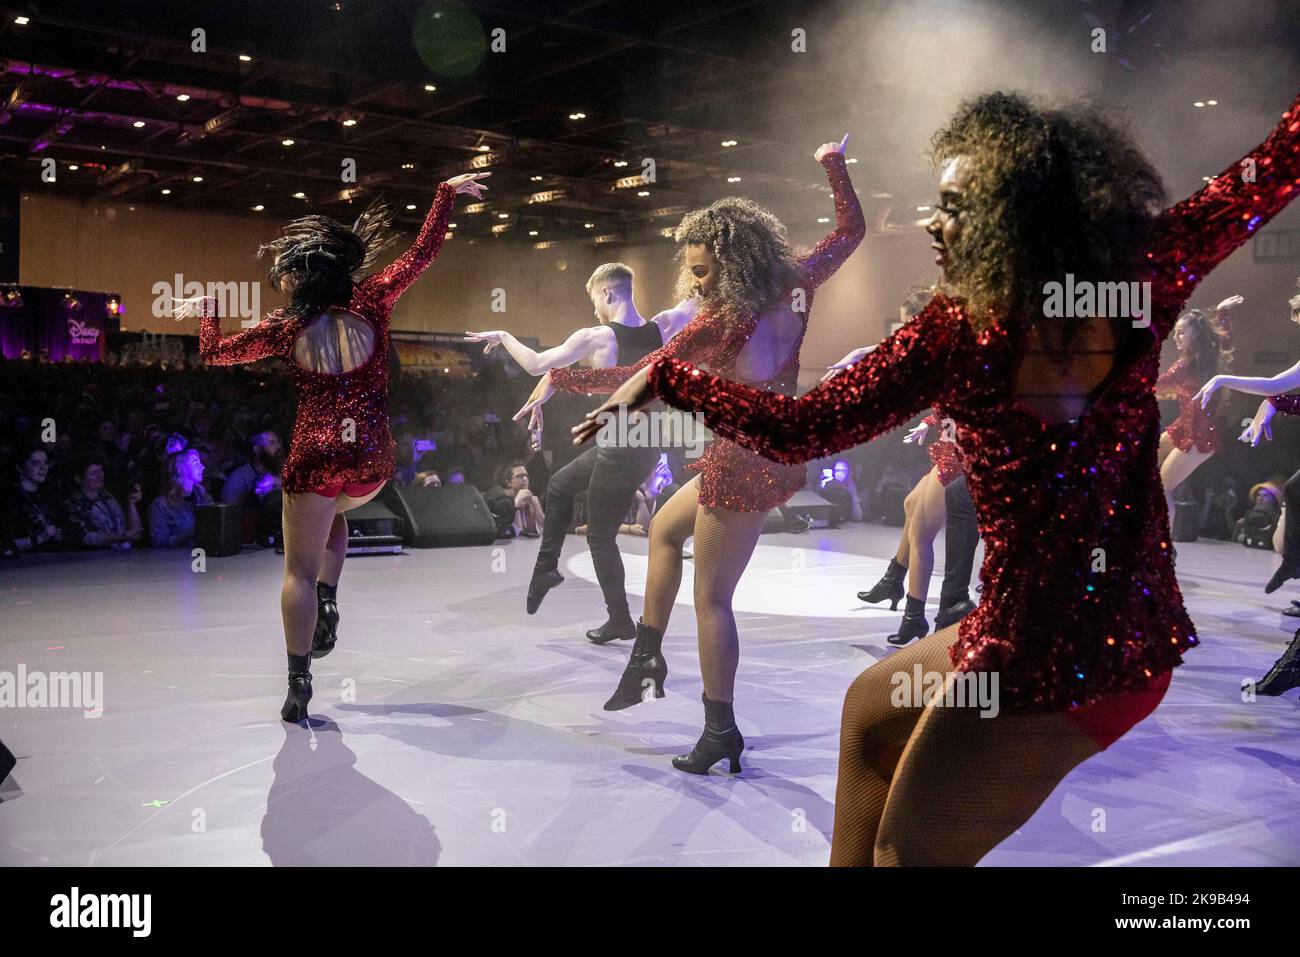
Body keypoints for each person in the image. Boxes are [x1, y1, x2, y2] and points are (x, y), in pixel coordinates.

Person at [576, 91, 1300, 862]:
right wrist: (666, 378)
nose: (930, 222)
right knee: (868, 713)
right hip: (1048, 622)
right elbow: (806, 424)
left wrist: (672, 381)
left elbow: (802, 429)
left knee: (909, 850)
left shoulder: (1014, 314)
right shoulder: (1053, 296)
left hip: (1060, 653)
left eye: (950, 206)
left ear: (1010, 216)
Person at [532, 133, 865, 774]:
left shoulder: (722, 321)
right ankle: (646, 653)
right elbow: (849, 230)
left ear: (735, 262)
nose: (697, 280)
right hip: (772, 448)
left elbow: (650, 374)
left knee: (712, 600)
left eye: (705, 270)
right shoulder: (799, 279)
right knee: (662, 528)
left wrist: (569, 380)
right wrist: (832, 163)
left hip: (742, 461)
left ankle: (720, 731)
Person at [183, 168, 489, 722]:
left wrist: (207, 309)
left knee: (295, 569)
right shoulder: (375, 298)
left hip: (314, 457)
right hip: (372, 457)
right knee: (336, 514)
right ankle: (329, 597)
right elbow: (423, 254)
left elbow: (214, 353)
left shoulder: (283, 325)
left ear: (300, 277)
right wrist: (443, 195)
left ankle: (299, 679)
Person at [467, 262, 693, 642]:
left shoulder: (599, 335)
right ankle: (547, 568)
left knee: (600, 537)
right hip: (640, 445)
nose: (594, 310)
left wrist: (505, 334)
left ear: (607, 293)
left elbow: (537, 363)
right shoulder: (664, 324)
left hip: (620, 448)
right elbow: (698, 299)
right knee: (558, 485)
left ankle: (619, 619)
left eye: (594, 300)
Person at [1155, 298, 1239, 526]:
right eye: (1176, 332)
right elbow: (1225, 339)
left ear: (1196, 334)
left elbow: (1158, 383)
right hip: (1183, 429)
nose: (1176, 337)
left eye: (1182, 332)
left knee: (1163, 489)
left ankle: (1163, 546)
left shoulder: (1189, 364)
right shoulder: (1201, 360)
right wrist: (1221, 312)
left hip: (1198, 440)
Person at [65, 457, 143, 549]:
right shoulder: (74, 504)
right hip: (97, 559)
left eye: (101, 471)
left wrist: (131, 504)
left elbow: (135, 532)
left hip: (124, 555)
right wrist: (121, 537)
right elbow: (87, 538)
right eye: (93, 473)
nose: (100, 476)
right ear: (79, 479)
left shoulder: (109, 497)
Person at [2, 446, 65, 555]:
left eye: (46, 462)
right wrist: (39, 538)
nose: (43, 467)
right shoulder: (8, 498)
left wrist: (61, 533)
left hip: (53, 560)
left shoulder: (50, 494)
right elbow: (5, 543)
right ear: (20, 467)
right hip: (20, 565)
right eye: (36, 463)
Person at [148, 448, 213, 547]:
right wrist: (188, 534)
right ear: (182, 468)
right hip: (174, 560)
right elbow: (159, 543)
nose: (202, 467)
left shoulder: (206, 499)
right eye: (196, 463)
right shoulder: (161, 505)